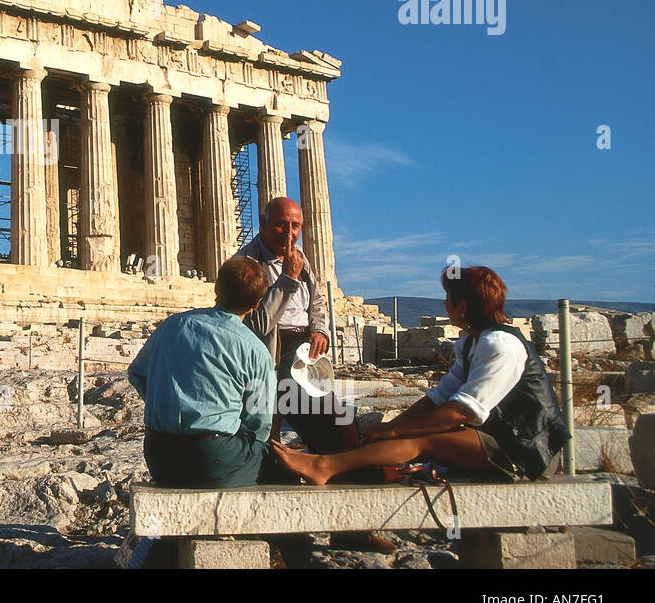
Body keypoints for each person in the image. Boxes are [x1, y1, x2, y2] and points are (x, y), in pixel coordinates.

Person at [275, 265, 569, 485]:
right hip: (497, 437)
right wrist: (393, 426)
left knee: (423, 441)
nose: (443, 304)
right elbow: (438, 397)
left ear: (463, 306)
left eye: (448, 297)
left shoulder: (501, 344)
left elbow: (459, 412)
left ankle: (324, 466)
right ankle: (335, 470)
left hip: (527, 451)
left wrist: (395, 431)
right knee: (412, 434)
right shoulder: (471, 343)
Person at [127, 256, 277, 487]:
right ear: (257, 303)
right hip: (214, 457)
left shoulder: (172, 325)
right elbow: (259, 424)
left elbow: (137, 373)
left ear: (216, 288)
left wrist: (168, 402)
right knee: (282, 466)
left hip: (159, 457)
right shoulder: (256, 351)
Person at [232, 197, 356, 454]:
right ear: (263, 223)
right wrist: (288, 277)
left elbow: (318, 300)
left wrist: (320, 329)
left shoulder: (300, 258)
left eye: (296, 226)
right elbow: (256, 324)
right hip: (269, 352)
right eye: (281, 224)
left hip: (303, 352)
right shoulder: (245, 264)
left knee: (340, 430)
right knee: (268, 432)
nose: (290, 233)